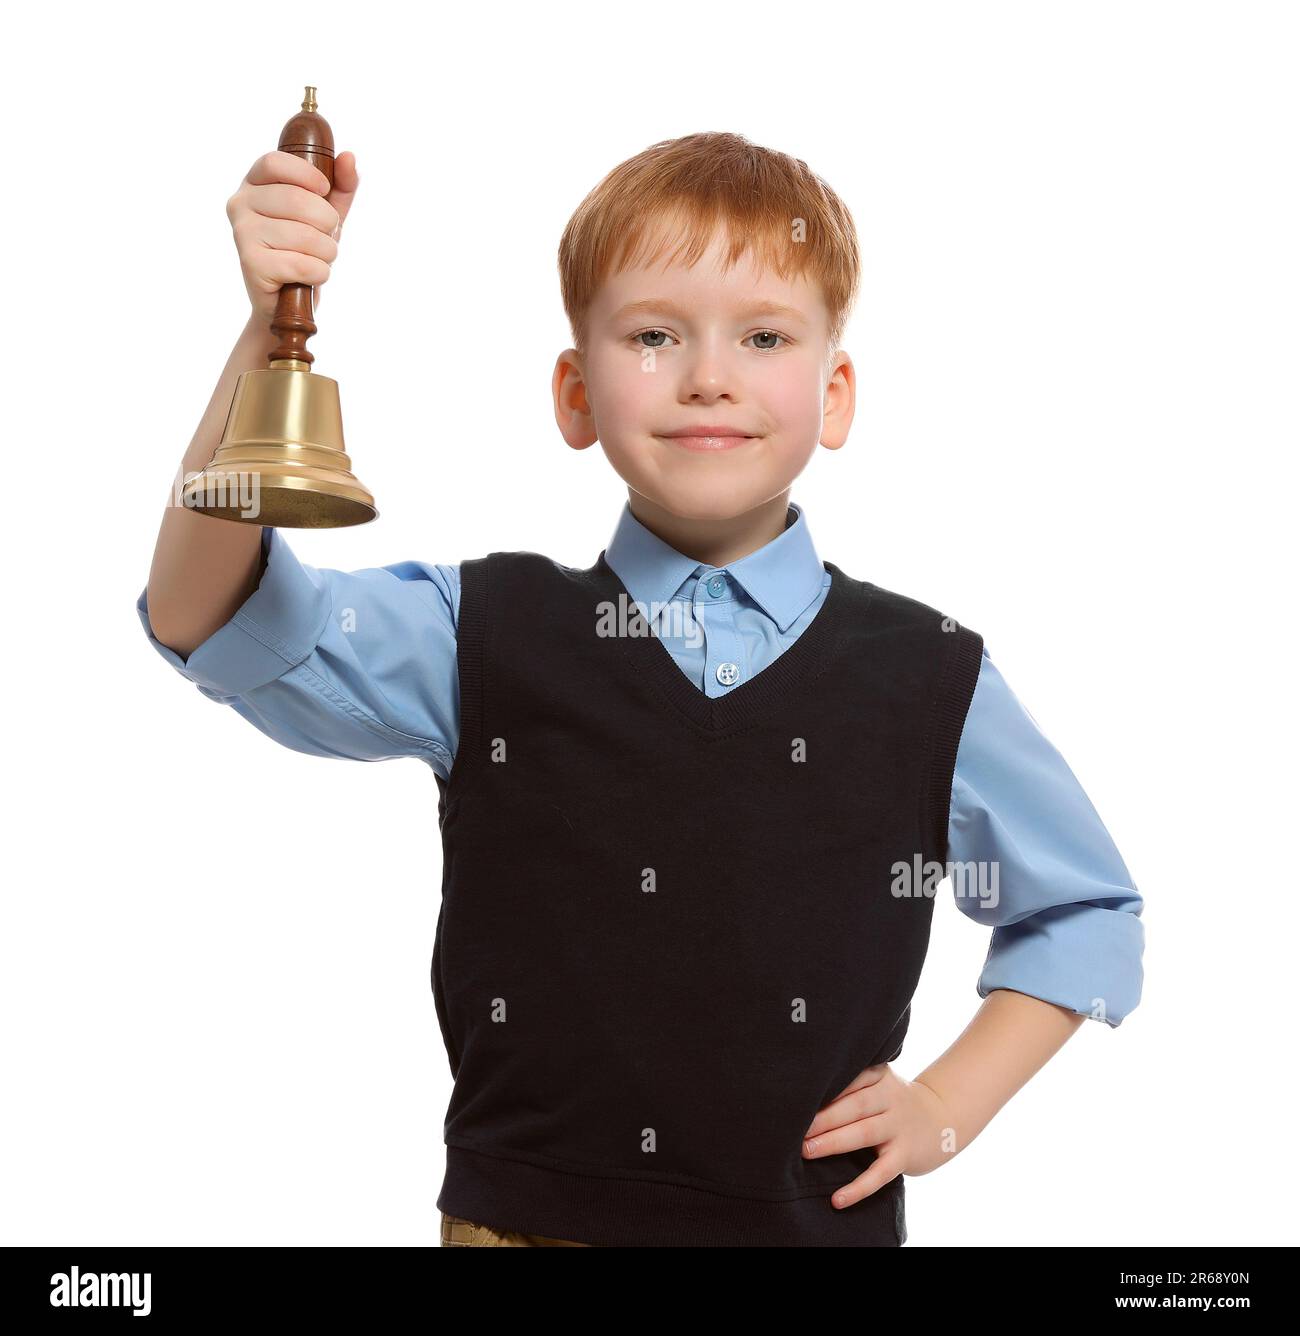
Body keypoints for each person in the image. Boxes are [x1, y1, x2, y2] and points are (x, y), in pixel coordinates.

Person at [137, 131, 1144, 1247]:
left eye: (763, 335)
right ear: (574, 393)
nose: (708, 373)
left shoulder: (929, 674)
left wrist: (946, 1109)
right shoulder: (482, 631)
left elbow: (1084, 909)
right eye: (654, 334)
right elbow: (209, 614)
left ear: (834, 391)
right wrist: (265, 328)